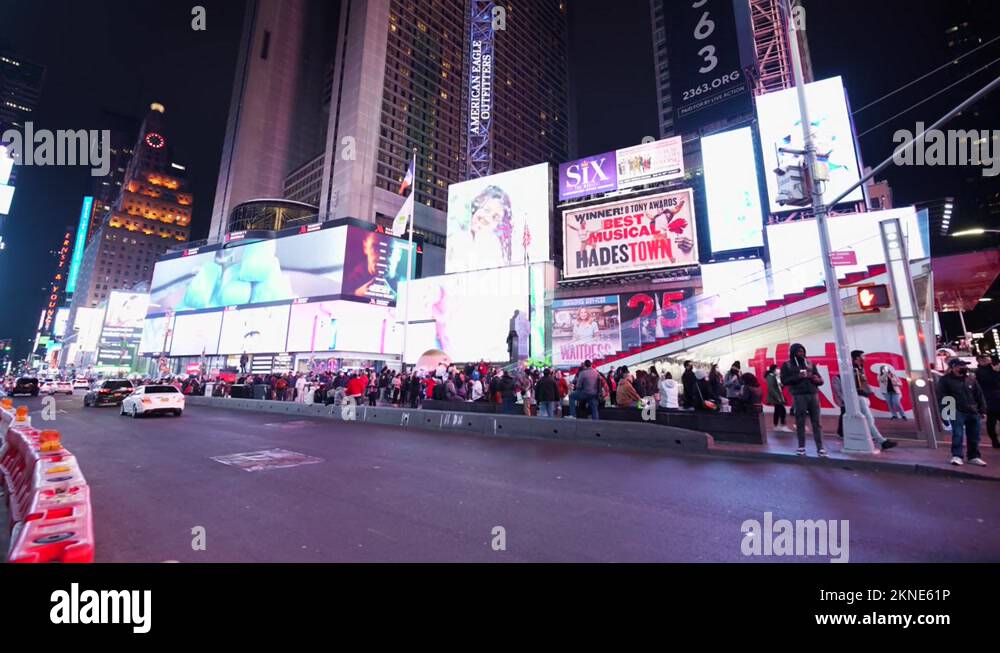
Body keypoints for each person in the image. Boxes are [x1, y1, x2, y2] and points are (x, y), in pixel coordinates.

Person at [937, 358, 988, 466]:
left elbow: (979, 395)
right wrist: (945, 415)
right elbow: (942, 398)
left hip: (973, 410)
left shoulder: (971, 379)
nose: (964, 368)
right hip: (956, 410)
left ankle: (973, 456)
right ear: (953, 368)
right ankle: (957, 455)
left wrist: (983, 410)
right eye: (961, 366)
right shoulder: (945, 380)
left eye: (964, 366)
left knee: (974, 435)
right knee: (958, 434)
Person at [780, 343, 827, 457]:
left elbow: (820, 379)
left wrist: (817, 380)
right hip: (798, 395)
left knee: (817, 422)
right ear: (793, 352)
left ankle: (820, 448)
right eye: (798, 352)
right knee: (800, 422)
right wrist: (798, 377)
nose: (801, 353)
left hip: (813, 394)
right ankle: (801, 447)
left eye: (802, 351)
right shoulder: (787, 365)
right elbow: (784, 380)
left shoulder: (810, 363)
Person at [845, 351, 898, 451]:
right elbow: (856, 384)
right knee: (868, 420)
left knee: (869, 420)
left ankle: (872, 438)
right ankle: (881, 441)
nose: (864, 358)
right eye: (862, 356)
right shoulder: (854, 369)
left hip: (864, 396)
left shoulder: (859, 369)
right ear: (857, 358)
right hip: (859, 396)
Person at [974, 355, 1000, 448]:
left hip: (995, 399)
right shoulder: (980, 372)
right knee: (991, 422)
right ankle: (994, 441)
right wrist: (996, 372)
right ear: (980, 361)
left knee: (991, 422)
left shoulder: (993, 369)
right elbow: (991, 381)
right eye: (986, 359)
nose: (989, 361)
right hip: (989, 401)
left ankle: (995, 441)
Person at [765, 364, 791, 432]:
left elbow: (780, 386)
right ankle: (782, 425)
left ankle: (776, 425)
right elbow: (771, 387)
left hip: (778, 396)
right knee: (782, 410)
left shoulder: (776, 376)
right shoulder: (770, 376)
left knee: (778, 410)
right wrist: (777, 396)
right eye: (777, 369)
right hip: (776, 397)